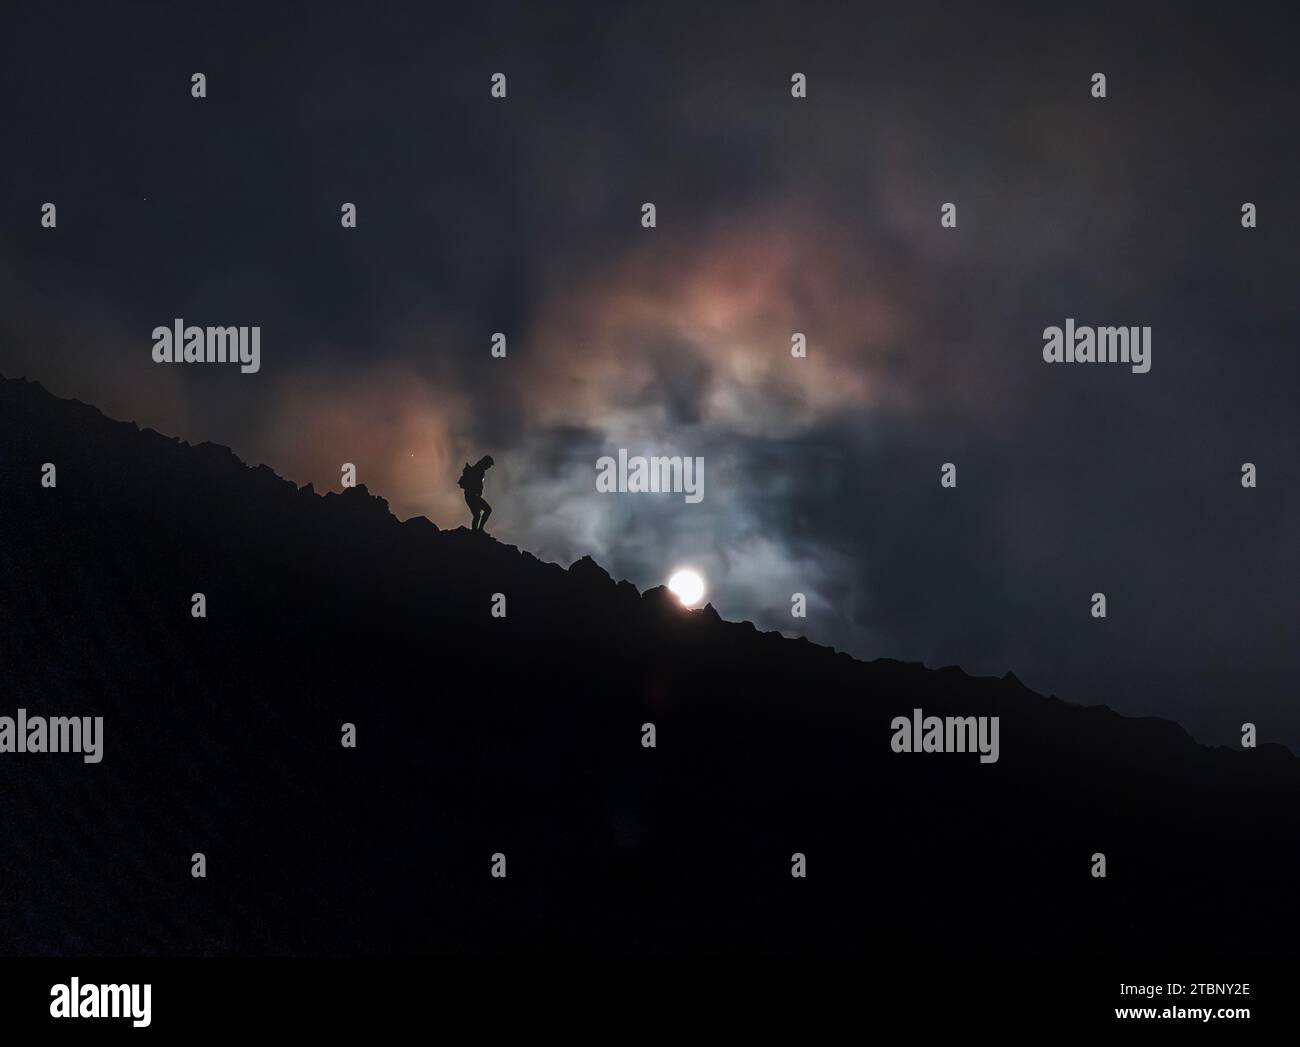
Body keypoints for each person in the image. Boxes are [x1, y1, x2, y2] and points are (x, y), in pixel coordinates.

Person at [457, 455, 495, 532]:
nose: (488, 467)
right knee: (486, 510)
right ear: (486, 463)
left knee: (477, 515)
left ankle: (476, 531)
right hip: (471, 495)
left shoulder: (479, 469)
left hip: (471, 495)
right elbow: (475, 482)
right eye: (489, 465)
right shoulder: (478, 469)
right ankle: (478, 530)